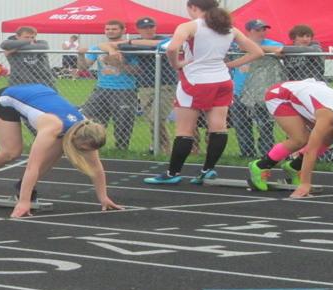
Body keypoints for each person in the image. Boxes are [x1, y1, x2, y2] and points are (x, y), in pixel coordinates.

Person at [0, 84, 122, 219]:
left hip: (39, 94)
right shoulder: (52, 127)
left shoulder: (86, 127)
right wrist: (23, 202)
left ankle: (24, 186)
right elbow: (32, 166)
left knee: (59, 150)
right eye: (81, 148)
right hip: (5, 100)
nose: (81, 152)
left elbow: (96, 167)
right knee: (11, 152)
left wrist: (103, 198)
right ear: (78, 137)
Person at [144, 0, 262, 185]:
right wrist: (229, 65)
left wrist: (177, 64)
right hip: (222, 80)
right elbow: (257, 52)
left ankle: (172, 172)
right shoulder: (228, 27)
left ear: (193, 7)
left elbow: (172, 48)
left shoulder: (189, 26)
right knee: (218, 127)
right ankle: (208, 169)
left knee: (184, 130)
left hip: (195, 81)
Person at [248, 77, 333, 199]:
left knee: (331, 136)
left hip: (305, 94)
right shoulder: (329, 117)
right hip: (280, 96)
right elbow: (310, 150)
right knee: (300, 139)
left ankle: (295, 167)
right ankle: (261, 165)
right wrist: (305, 184)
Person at [80, 20, 137, 154]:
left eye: (114, 29)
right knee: (88, 118)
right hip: (101, 89)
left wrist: (118, 63)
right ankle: (93, 148)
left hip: (125, 90)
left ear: (123, 30)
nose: (110, 31)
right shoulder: (97, 48)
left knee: (123, 123)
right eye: (108, 29)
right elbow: (84, 67)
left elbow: (137, 71)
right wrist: (80, 54)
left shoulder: (129, 48)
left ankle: (121, 151)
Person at [232, 19, 283, 159]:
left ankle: (267, 154)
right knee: (241, 124)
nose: (262, 33)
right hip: (239, 91)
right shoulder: (238, 44)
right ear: (248, 31)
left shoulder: (270, 43)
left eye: (263, 29)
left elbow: (279, 49)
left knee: (265, 125)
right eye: (257, 30)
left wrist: (254, 48)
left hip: (262, 93)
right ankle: (247, 153)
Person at [120, 16, 169, 155]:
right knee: (151, 119)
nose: (148, 30)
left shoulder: (165, 39)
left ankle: (160, 147)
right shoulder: (133, 42)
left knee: (157, 117)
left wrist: (133, 43)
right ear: (138, 29)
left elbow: (162, 44)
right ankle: (159, 147)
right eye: (144, 28)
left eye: (151, 27)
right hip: (145, 85)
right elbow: (119, 46)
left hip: (166, 85)